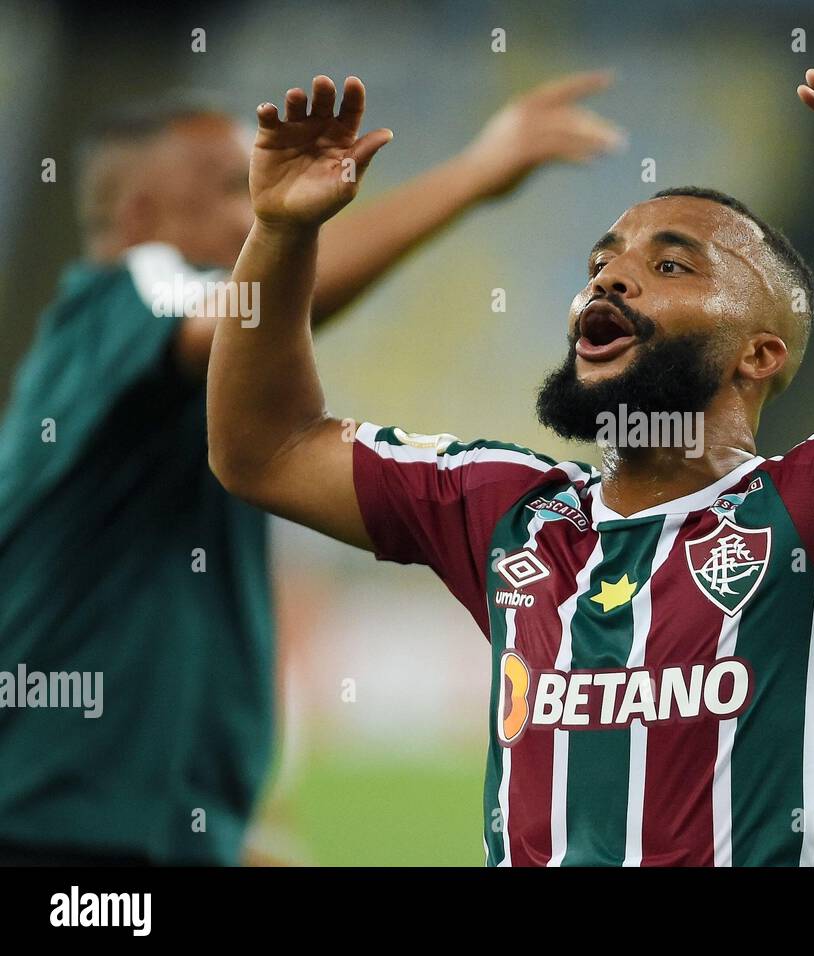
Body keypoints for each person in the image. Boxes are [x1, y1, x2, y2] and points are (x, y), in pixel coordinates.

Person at [206, 71, 814, 867]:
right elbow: (264, 449)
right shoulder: (509, 514)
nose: (610, 279)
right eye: (602, 261)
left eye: (672, 266)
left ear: (760, 355)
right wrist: (281, 236)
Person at [0, 72, 622, 865]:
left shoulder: (178, 408)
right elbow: (243, 315)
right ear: (141, 215)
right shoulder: (122, 294)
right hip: (57, 848)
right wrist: (470, 175)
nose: (253, 205)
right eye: (232, 188)